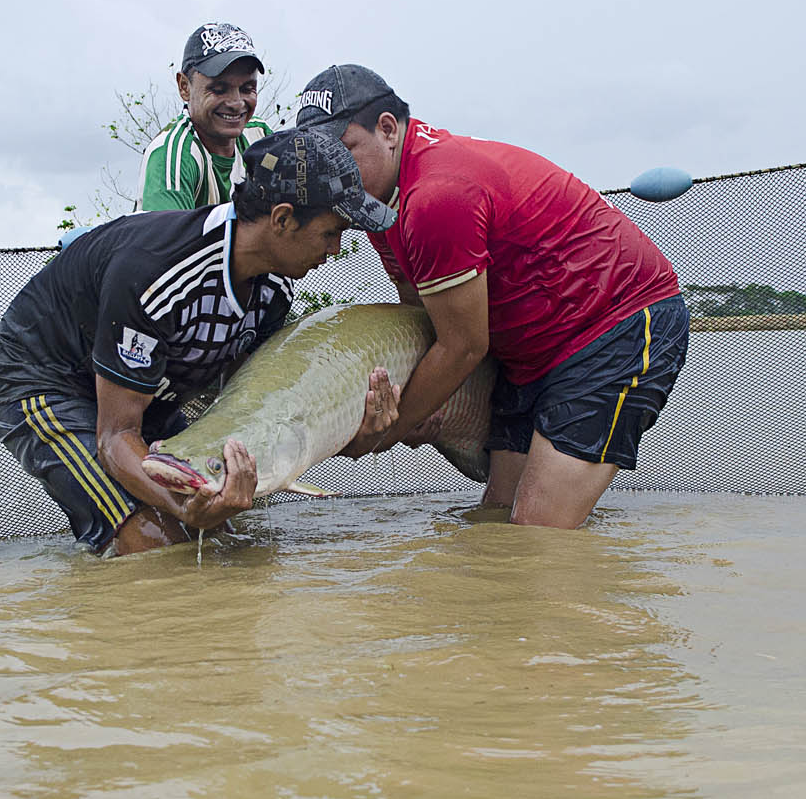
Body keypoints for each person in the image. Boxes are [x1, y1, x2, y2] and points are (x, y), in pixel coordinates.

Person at [295, 65, 688, 528]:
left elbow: (463, 346)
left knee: (536, 533)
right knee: (496, 520)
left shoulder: (437, 195)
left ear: (387, 129)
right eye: (319, 157)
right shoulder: (376, 203)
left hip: (617, 321)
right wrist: (420, 409)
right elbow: (422, 317)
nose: (330, 171)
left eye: (341, 150)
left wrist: (384, 432)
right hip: (530, 352)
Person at [0, 128, 400, 555]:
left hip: (147, 393)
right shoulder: (154, 273)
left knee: (222, 536)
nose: (335, 250)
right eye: (331, 232)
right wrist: (182, 510)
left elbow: (250, 408)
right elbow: (115, 437)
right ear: (282, 219)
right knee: (156, 543)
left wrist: (354, 434)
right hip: (45, 381)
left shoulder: (274, 289)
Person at [139, 23, 273, 211]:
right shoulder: (172, 158)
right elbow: (169, 231)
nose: (236, 103)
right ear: (184, 87)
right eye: (219, 89)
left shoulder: (260, 137)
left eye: (247, 89)